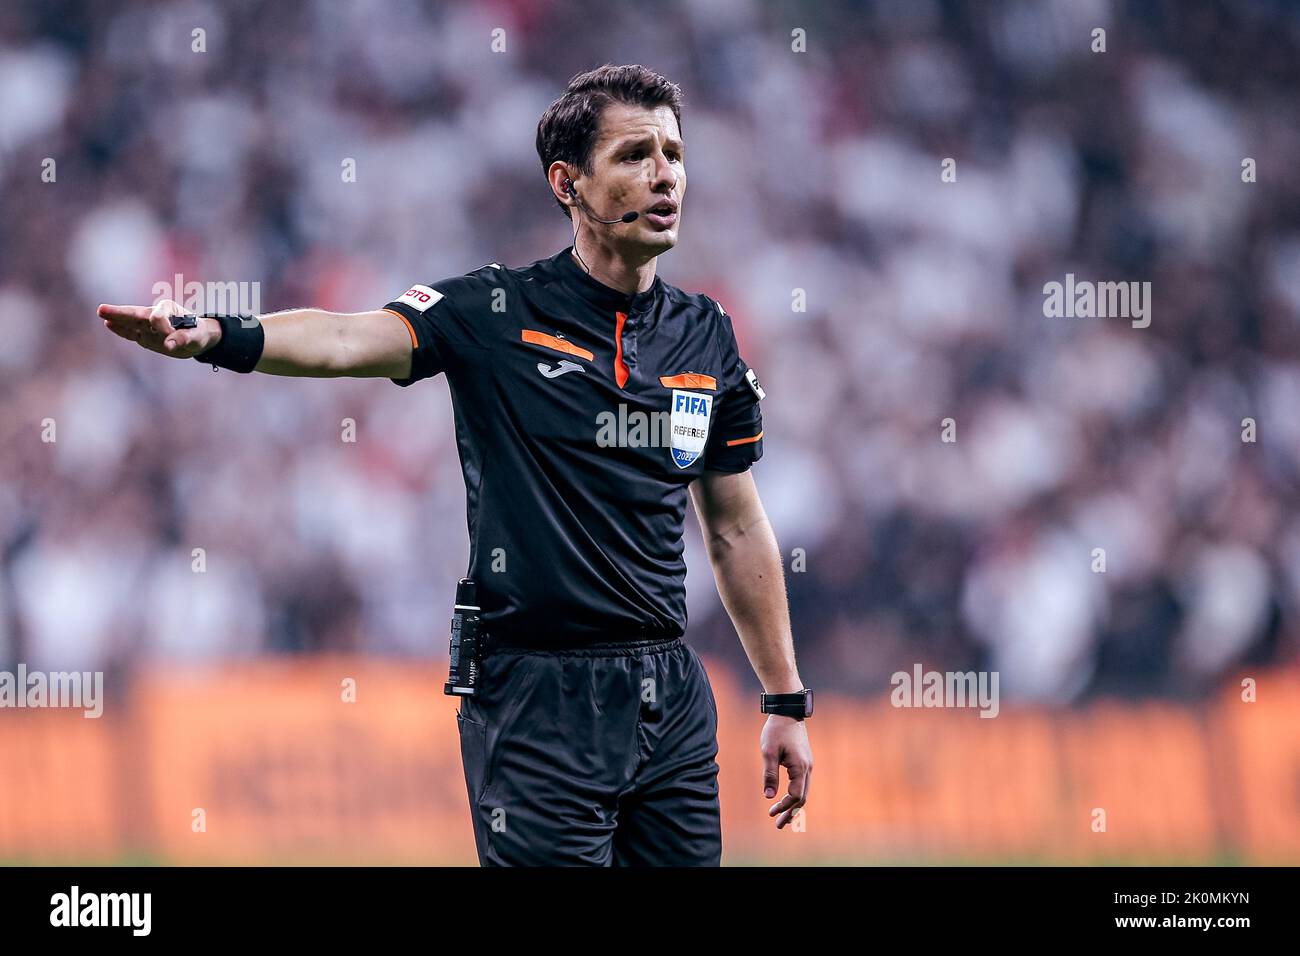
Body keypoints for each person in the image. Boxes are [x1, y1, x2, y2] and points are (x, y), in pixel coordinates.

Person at [98, 63, 813, 866]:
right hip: (536, 696)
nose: (665, 175)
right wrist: (218, 336)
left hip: (669, 695)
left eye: (675, 155)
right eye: (636, 154)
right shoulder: (497, 310)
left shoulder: (705, 332)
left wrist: (785, 698)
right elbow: (347, 340)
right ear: (568, 183)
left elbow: (735, 525)